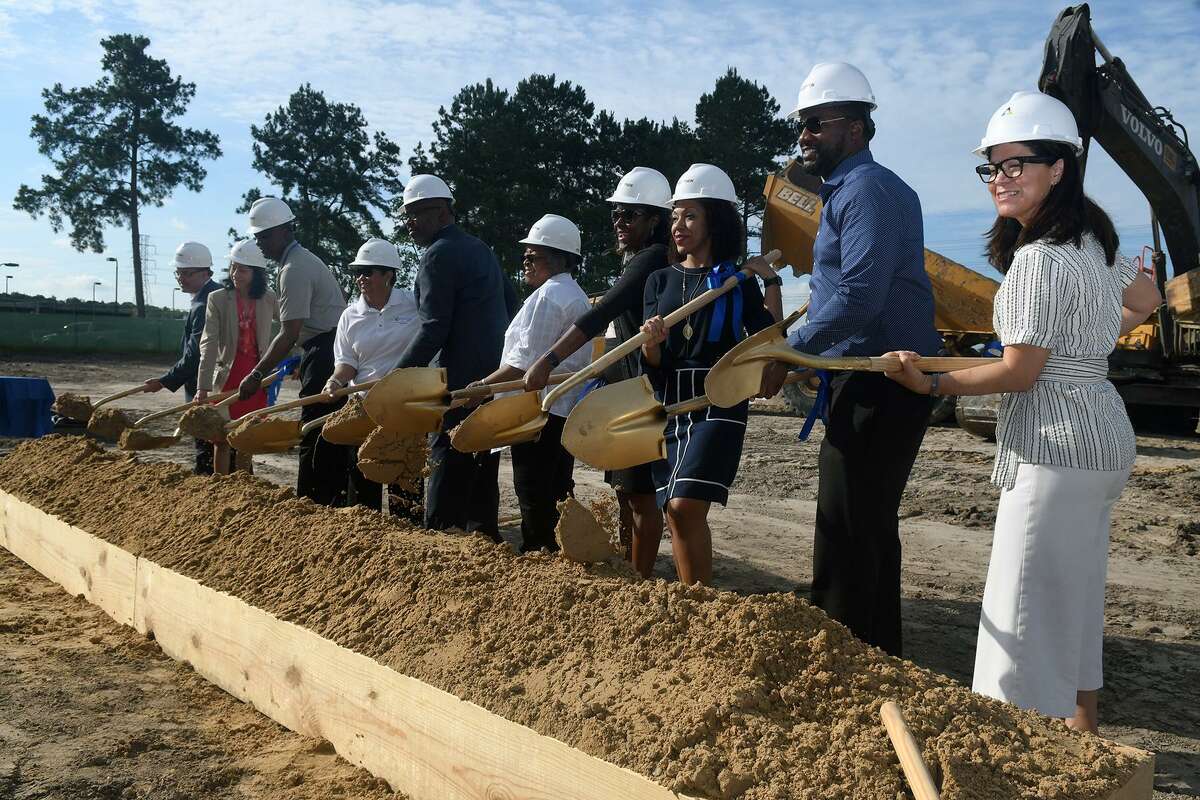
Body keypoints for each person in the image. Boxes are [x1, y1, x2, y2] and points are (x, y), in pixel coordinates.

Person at [883, 91, 1161, 733]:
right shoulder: (1094, 242)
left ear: (1058, 168)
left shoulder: (1037, 259)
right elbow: (1144, 301)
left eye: (1018, 164)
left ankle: (1018, 751)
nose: (1000, 180)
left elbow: (1018, 372)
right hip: (1102, 442)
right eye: (993, 167)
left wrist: (925, 386)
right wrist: (1086, 345)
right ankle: (1081, 729)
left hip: (1055, 449)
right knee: (1075, 595)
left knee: (1022, 614)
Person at [758, 62, 942, 657]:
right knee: (862, 523)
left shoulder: (869, 190)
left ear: (857, 126)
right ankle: (871, 651)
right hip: (866, 378)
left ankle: (844, 655)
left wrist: (792, 351)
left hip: (883, 380)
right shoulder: (847, 193)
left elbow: (862, 292)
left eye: (817, 123)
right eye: (801, 125)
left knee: (848, 526)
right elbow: (844, 294)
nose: (805, 136)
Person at [524, 167, 672, 576]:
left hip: (642, 391)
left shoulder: (652, 259)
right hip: (625, 388)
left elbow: (601, 312)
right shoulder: (642, 260)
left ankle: (638, 576)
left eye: (630, 215)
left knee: (640, 493)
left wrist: (548, 360)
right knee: (627, 491)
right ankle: (630, 564)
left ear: (655, 220)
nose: (620, 224)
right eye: (616, 216)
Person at [640, 164, 782, 585]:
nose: (678, 226)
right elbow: (653, 363)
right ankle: (693, 601)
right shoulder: (658, 281)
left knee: (685, 506)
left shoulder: (736, 283)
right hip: (671, 403)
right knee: (672, 510)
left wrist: (770, 281)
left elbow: (770, 339)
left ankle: (698, 601)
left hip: (720, 398)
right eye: (674, 216)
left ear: (714, 220)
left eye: (690, 215)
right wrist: (651, 342)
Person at [393, 175, 512, 538]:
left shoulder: (438, 255)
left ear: (443, 212)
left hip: (457, 381)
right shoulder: (481, 249)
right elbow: (511, 305)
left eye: (416, 214)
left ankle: (441, 541)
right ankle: (483, 542)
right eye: (406, 216)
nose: (409, 223)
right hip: (489, 379)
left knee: (447, 457)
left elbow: (433, 328)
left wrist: (396, 378)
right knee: (480, 460)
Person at [472, 215, 591, 552]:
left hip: (539, 410)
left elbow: (524, 365)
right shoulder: (571, 294)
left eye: (532, 256)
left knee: (533, 491)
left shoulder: (550, 297)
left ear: (558, 257)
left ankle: (539, 555)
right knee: (555, 489)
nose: (525, 263)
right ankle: (557, 554)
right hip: (561, 410)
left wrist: (480, 388)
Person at [235, 197, 348, 506]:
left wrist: (257, 373)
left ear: (286, 230)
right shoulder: (297, 261)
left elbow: (288, 334)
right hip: (327, 347)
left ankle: (313, 503)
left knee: (315, 428)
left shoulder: (293, 269)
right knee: (326, 427)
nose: (261, 245)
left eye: (266, 236)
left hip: (327, 351)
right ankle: (331, 499)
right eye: (258, 238)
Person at [326, 237, 421, 515]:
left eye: (367, 272)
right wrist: (335, 381)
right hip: (363, 408)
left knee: (405, 488)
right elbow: (346, 363)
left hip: (405, 409)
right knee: (362, 489)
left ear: (389, 274)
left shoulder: (414, 306)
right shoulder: (350, 316)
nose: (360, 279)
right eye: (357, 272)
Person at [196, 239, 280, 475]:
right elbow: (209, 343)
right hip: (228, 378)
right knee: (221, 440)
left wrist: (294, 360)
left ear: (256, 273)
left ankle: (244, 488)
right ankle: (220, 487)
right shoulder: (218, 299)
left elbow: (291, 328)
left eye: (242, 269)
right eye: (233, 267)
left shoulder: (269, 298)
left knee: (246, 439)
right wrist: (202, 387)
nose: (235, 274)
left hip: (256, 378)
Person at [142, 241, 222, 474]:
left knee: (206, 441)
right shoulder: (211, 295)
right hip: (212, 380)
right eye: (179, 273)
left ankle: (208, 483)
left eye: (187, 273)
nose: (181, 278)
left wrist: (164, 381)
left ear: (206, 272)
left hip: (204, 383)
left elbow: (195, 354)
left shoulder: (204, 303)